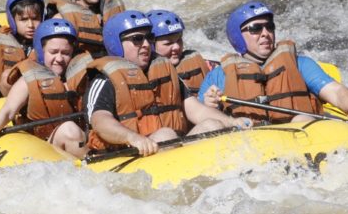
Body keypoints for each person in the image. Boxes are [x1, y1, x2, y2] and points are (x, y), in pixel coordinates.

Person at [85, 10, 252, 156]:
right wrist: (133, 137)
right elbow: (100, 121)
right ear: (116, 43)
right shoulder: (104, 80)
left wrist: (231, 121)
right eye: (137, 39)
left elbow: (196, 110)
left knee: (212, 125)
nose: (145, 44)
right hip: (131, 154)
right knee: (166, 134)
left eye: (148, 38)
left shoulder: (165, 70)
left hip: (173, 148)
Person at [198, 1, 348, 129]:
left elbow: (336, 92)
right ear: (237, 37)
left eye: (269, 27)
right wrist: (209, 105)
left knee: (300, 120)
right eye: (255, 29)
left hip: (299, 138)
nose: (266, 33)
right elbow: (202, 119)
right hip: (251, 144)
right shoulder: (218, 76)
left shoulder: (300, 65)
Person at [0, 18, 87, 160]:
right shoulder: (28, 80)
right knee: (69, 130)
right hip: (43, 145)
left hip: (78, 142)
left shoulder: (82, 76)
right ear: (41, 51)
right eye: (53, 52)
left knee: (72, 130)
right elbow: (7, 112)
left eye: (65, 53)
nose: (59, 58)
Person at [147, 9, 212, 93]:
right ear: (151, 46)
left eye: (179, 40)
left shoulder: (207, 65)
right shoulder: (142, 76)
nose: (177, 47)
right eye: (168, 43)